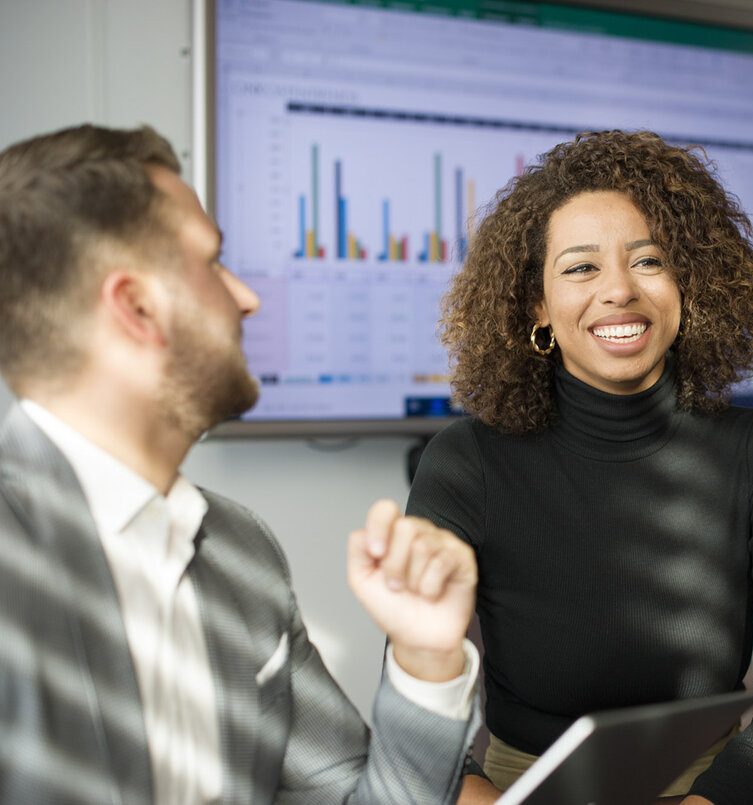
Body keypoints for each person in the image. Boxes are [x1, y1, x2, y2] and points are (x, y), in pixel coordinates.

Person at [0, 123, 480, 804]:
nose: (247, 297)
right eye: (214, 263)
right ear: (136, 306)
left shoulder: (240, 550)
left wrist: (426, 659)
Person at [400, 130, 753, 805]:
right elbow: (415, 703)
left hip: (712, 793)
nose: (619, 290)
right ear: (537, 304)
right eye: (581, 268)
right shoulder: (466, 461)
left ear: (690, 284)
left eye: (649, 260)